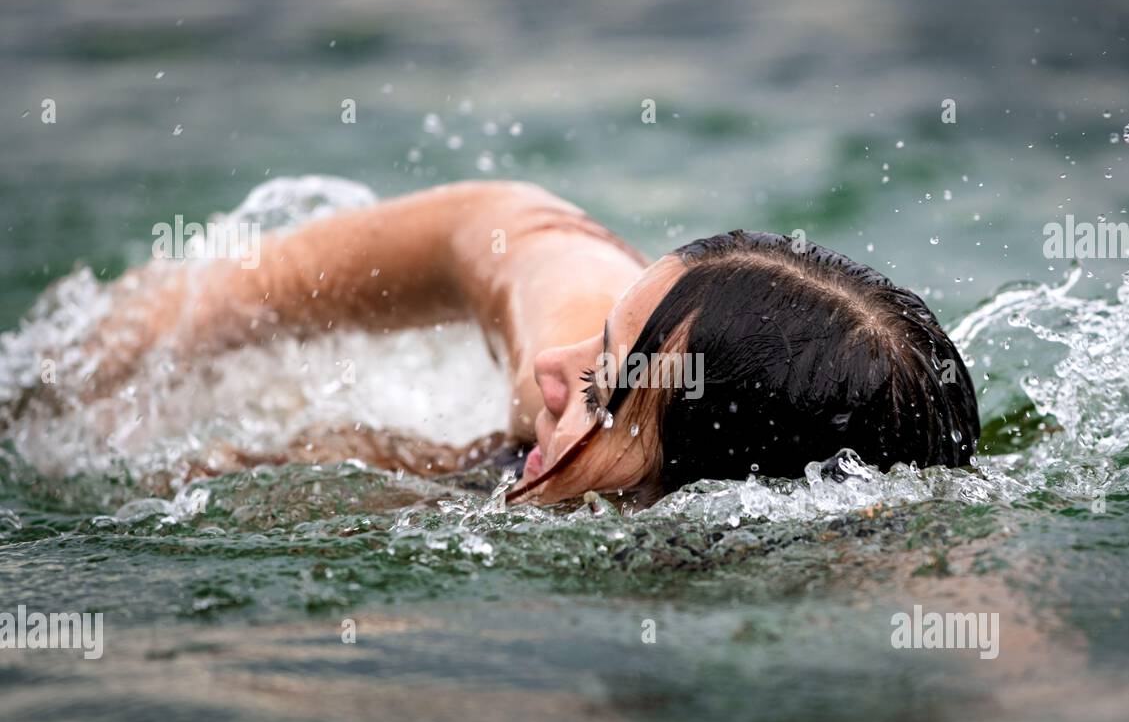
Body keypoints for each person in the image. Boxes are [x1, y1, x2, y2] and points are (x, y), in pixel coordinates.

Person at [44, 180, 979, 505]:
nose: (550, 368)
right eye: (597, 337)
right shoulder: (556, 370)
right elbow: (500, 223)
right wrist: (80, 369)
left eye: (604, 388)